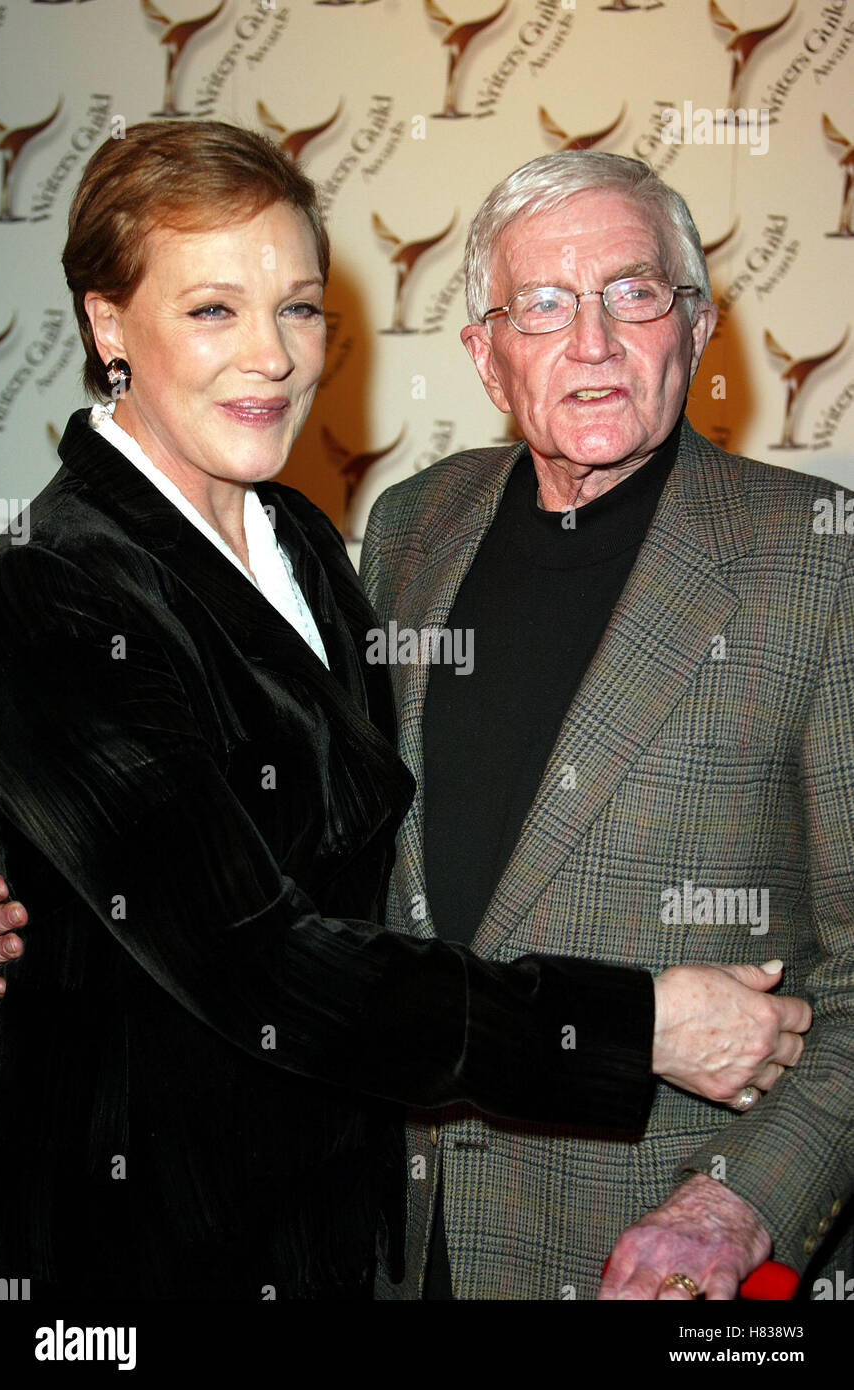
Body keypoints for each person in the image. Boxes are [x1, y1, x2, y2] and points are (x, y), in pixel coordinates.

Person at [0, 123, 808, 1300]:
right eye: (214, 310)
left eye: (300, 308)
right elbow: (259, 964)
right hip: (143, 1250)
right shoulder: (59, 579)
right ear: (108, 326)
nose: (271, 358)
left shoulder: (315, 540)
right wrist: (627, 1027)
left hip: (340, 1228)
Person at [360, 150, 853, 1301]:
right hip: (401, 1231)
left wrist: (737, 1201)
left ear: (694, 326)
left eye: (630, 293)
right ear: (485, 356)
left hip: (654, 1248)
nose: (589, 343)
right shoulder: (409, 527)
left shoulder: (819, 560)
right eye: (539, 306)